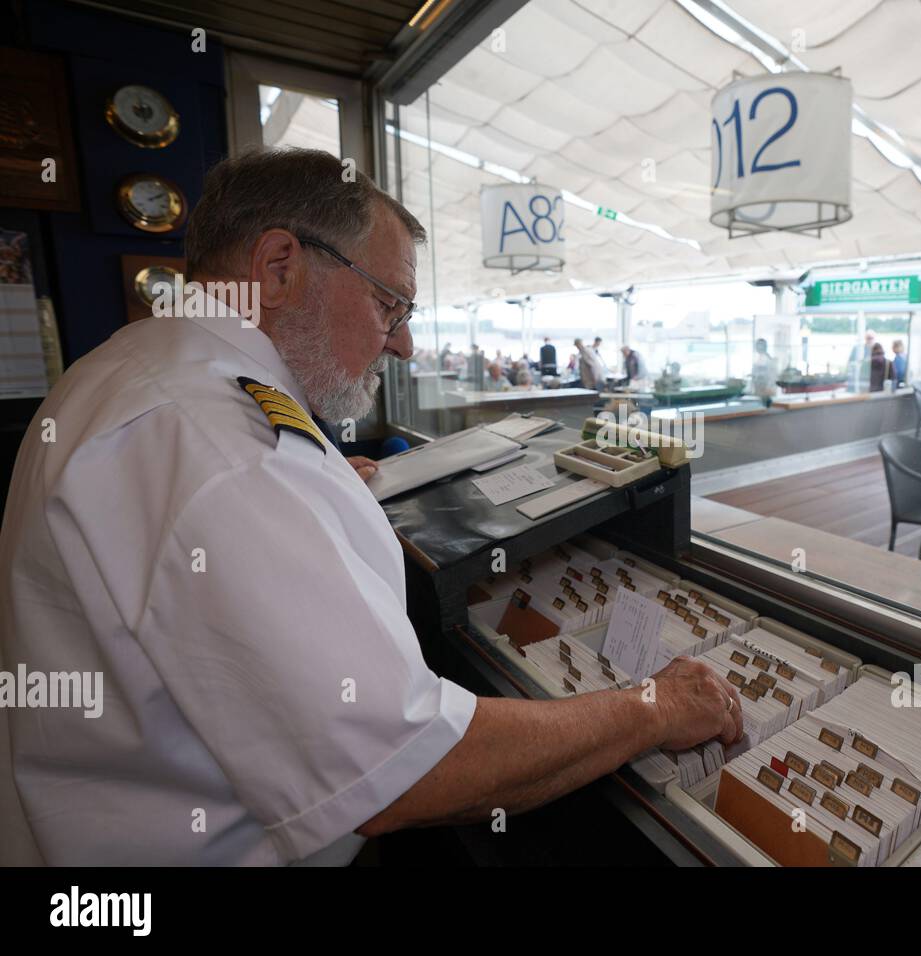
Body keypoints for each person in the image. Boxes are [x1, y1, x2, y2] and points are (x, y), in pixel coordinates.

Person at [0, 147, 742, 865]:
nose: (406, 345)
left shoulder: (139, 367)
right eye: (391, 304)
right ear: (279, 267)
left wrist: (308, 506)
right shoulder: (225, 451)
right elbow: (402, 772)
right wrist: (653, 708)